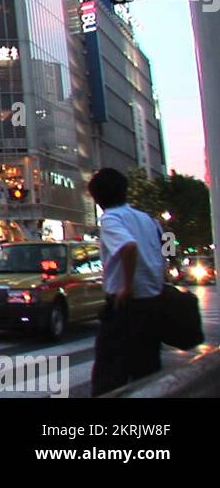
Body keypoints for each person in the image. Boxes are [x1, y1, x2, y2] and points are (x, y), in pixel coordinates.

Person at [87, 168, 166, 396]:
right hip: (152, 303)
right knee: (147, 372)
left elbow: (128, 247)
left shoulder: (111, 218)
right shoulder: (147, 219)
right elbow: (163, 249)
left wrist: (126, 287)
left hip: (125, 307)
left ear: (98, 198)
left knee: (109, 377)